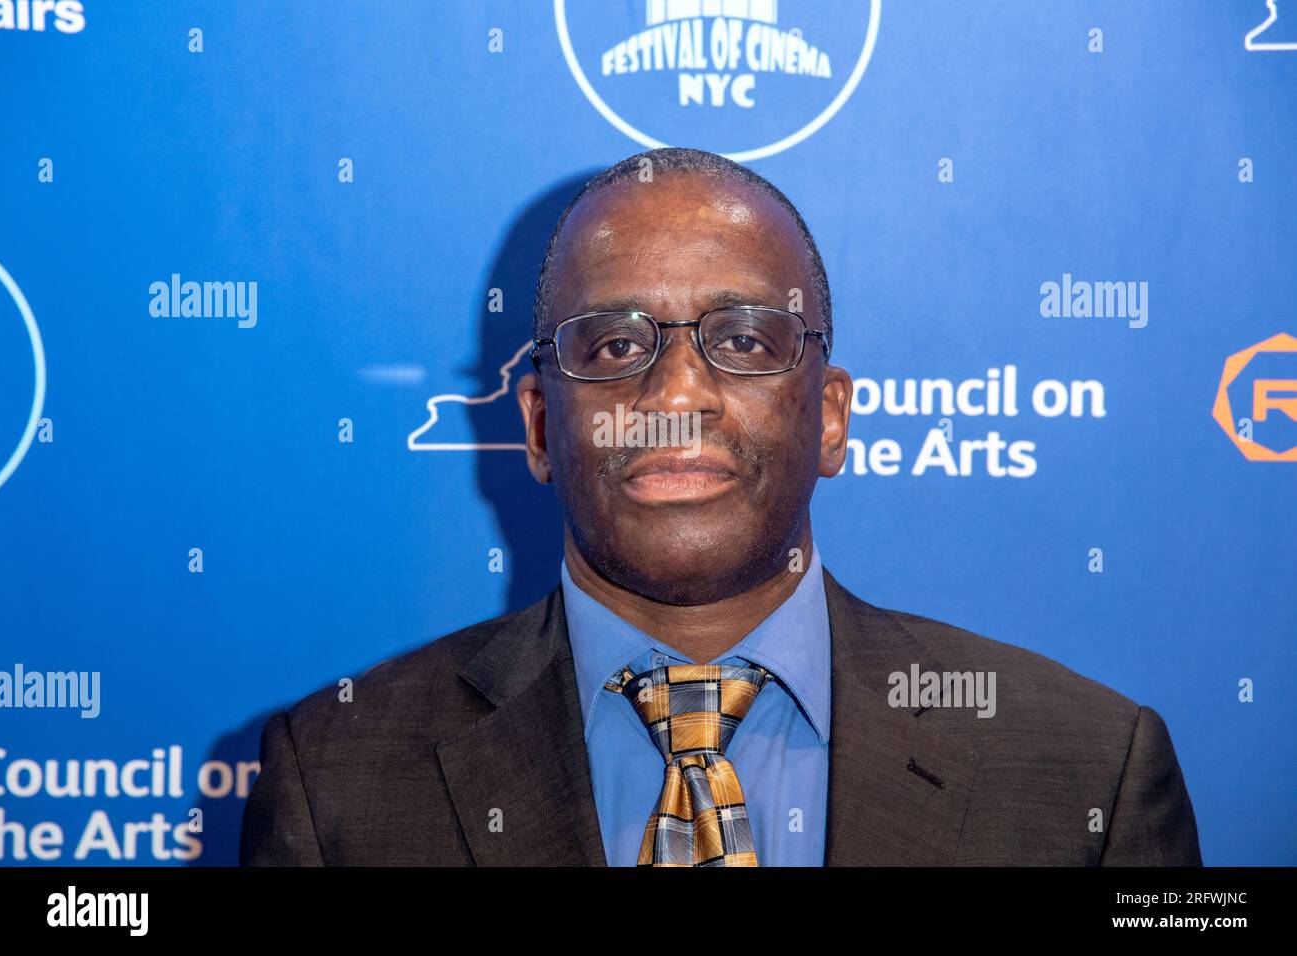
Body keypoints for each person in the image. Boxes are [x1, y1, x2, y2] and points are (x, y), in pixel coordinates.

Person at [240, 147, 1202, 866]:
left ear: (830, 419)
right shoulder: (335, 786)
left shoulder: (1087, 776)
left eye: (744, 340)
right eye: (614, 347)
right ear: (537, 426)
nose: (676, 397)